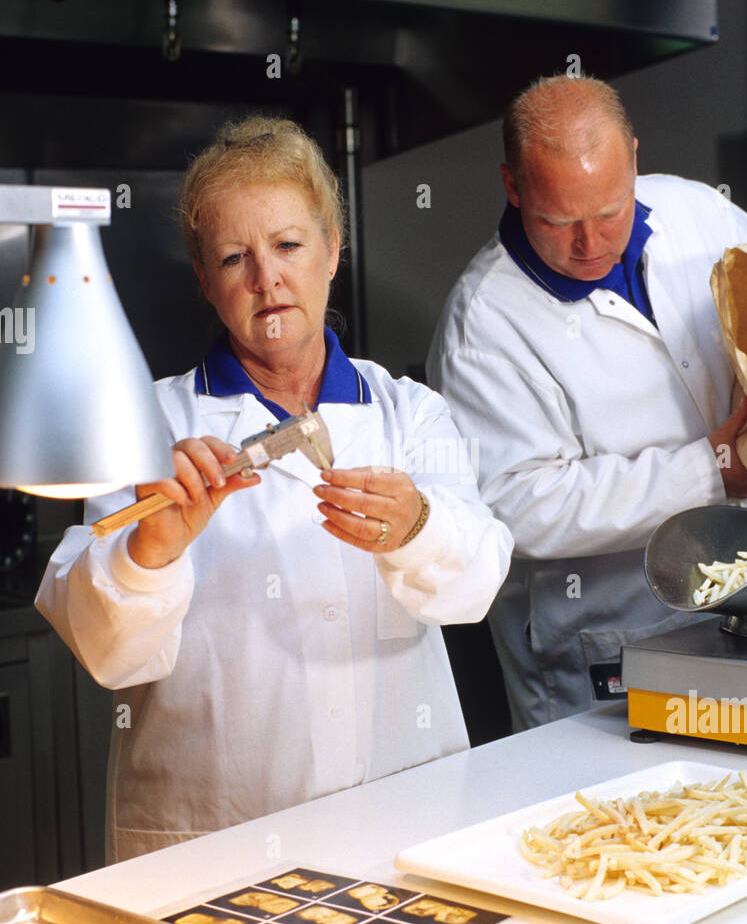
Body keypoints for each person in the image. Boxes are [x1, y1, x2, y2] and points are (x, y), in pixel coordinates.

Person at [37, 116, 511, 861]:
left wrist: (419, 527)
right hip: (211, 841)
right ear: (203, 278)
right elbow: (107, 655)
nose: (267, 279)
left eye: (288, 245)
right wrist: (147, 551)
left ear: (332, 249)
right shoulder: (149, 424)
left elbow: (476, 585)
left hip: (402, 824)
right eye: (234, 257)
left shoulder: (409, 413)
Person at [427, 75, 747, 731]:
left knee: (741, 809)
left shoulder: (694, 212)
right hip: (600, 642)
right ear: (512, 187)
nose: (589, 244)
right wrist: (713, 472)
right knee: (618, 825)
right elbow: (521, 505)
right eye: (558, 221)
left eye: (609, 211)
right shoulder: (482, 325)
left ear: (631, 156)